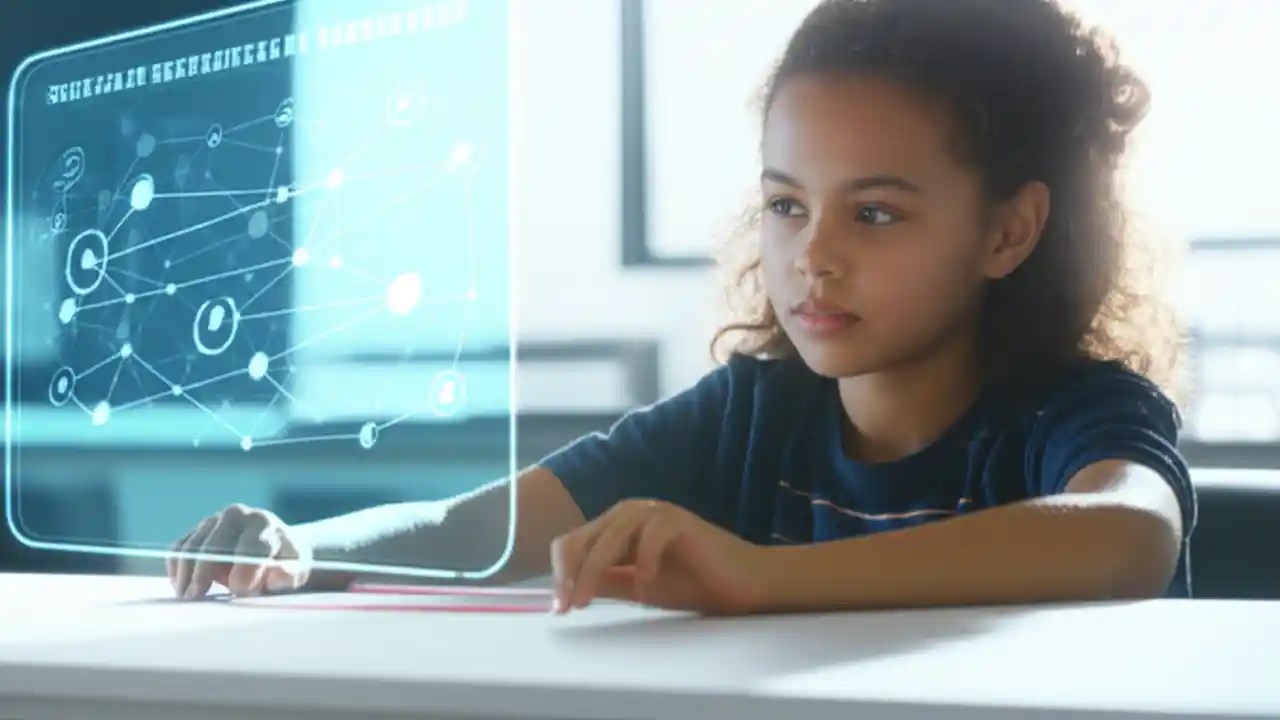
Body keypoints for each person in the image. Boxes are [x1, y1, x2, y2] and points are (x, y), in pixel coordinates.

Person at [168, 0, 1197, 615]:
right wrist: (304, 548)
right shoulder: (749, 416)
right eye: (786, 206)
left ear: (1009, 231)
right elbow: (474, 528)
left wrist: (760, 580)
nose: (812, 256)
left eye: (875, 213)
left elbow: (1125, 535)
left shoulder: (1073, 412)